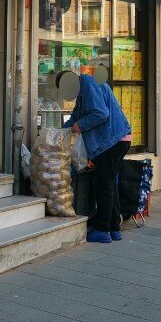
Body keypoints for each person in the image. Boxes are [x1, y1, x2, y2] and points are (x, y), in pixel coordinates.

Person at [62, 72, 132, 244]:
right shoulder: (83, 91)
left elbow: (100, 114)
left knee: (103, 185)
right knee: (109, 185)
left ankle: (102, 229)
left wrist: (79, 126)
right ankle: (114, 228)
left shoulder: (87, 82)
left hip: (110, 141)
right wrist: (60, 130)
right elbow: (76, 117)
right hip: (117, 140)